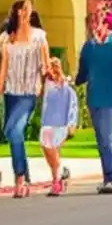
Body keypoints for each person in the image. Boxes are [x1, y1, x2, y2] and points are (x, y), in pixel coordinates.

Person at [0, 0, 50, 198]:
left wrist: (47, 77)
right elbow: (2, 71)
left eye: (28, 9)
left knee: (13, 130)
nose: (25, 13)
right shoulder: (7, 39)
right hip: (10, 93)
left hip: (28, 93)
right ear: (16, 12)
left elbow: (45, 64)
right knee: (12, 134)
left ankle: (19, 178)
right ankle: (24, 175)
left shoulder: (39, 37)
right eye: (21, 9)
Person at [75, 7, 112, 194]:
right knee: (104, 138)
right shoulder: (88, 47)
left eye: (97, 21)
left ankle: (110, 178)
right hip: (94, 98)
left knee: (106, 138)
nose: (94, 26)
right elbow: (82, 73)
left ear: (106, 23)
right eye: (91, 22)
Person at [40, 57, 78, 197]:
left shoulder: (65, 86)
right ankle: (61, 173)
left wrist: (71, 123)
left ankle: (57, 180)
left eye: (55, 65)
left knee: (53, 149)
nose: (53, 68)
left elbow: (72, 104)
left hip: (60, 123)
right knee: (47, 150)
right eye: (51, 66)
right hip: (47, 123)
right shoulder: (46, 83)